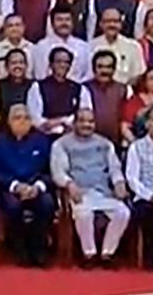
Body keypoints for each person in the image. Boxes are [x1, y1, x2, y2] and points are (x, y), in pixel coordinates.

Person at [50, 108, 131, 268]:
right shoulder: (61, 144)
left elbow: (114, 168)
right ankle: (89, 254)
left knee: (123, 212)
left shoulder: (104, 143)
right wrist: (69, 184)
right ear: (74, 123)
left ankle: (107, 253)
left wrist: (119, 183)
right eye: (82, 121)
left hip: (103, 191)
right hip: (79, 191)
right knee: (84, 213)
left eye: (90, 121)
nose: (86, 125)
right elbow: (58, 171)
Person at [0, 105, 56, 267]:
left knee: (47, 204)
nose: (22, 121)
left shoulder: (42, 140)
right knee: (13, 206)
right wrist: (16, 186)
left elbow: (49, 170)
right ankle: (19, 249)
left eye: (26, 118)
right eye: (17, 118)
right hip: (9, 187)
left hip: (35, 186)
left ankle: (39, 249)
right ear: (9, 121)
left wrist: (37, 186)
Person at [125, 107, 153, 269]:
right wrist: (152, 196)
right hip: (145, 196)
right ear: (148, 124)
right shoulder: (136, 147)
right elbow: (132, 179)